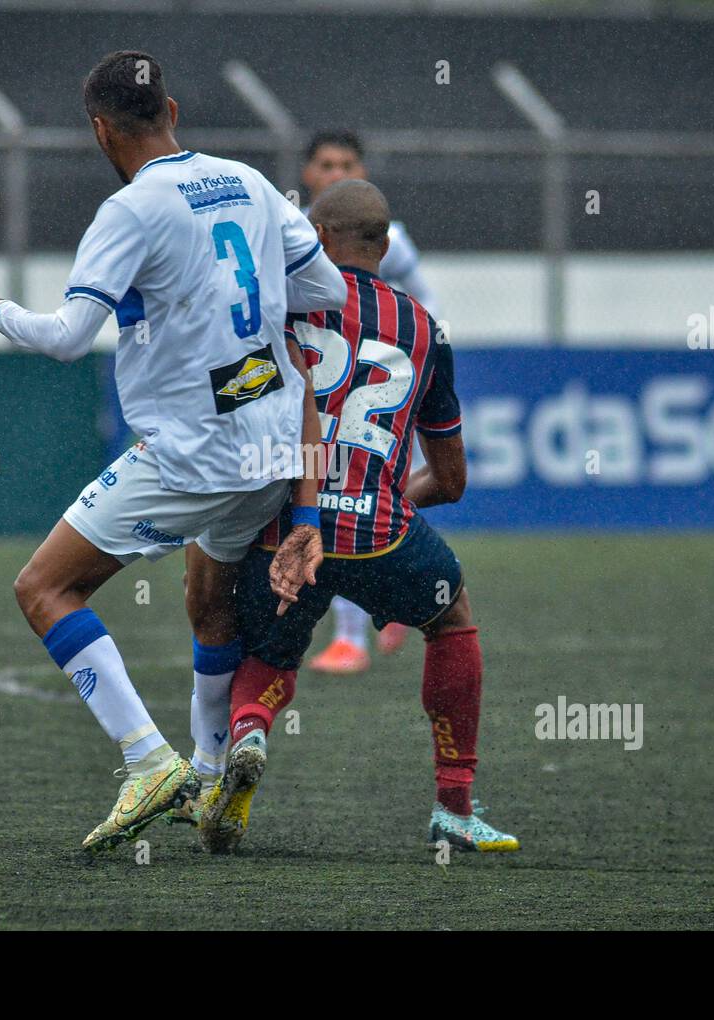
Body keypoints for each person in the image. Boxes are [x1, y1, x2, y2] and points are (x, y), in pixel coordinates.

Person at [0, 51, 343, 852]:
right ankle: (208, 776)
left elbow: (68, 338)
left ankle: (147, 761)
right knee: (208, 599)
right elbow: (330, 295)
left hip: (191, 458)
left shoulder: (129, 211)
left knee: (43, 588)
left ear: (102, 130)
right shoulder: (248, 182)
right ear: (171, 109)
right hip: (272, 456)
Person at [196, 180, 519, 856]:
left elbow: (226, 398)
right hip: (382, 535)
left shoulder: (280, 311)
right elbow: (454, 480)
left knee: (267, 650)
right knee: (450, 614)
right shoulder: (424, 329)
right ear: (386, 246)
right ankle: (455, 806)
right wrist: (383, 502)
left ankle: (249, 731)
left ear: (317, 238)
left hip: (286, 532)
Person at [300, 130, 442, 673]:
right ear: (309, 174)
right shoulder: (298, 235)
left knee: (344, 495)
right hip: (320, 377)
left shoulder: (392, 241)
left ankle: (351, 637)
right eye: (326, 165)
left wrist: (409, 356)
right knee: (338, 498)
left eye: (347, 164)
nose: (336, 174)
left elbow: (425, 302)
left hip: (371, 383)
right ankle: (391, 595)